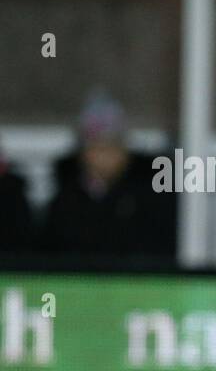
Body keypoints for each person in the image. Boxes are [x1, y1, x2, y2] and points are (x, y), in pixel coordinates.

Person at [41, 93, 174, 262]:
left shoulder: (150, 199)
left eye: (112, 145)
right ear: (82, 152)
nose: (105, 156)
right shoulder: (65, 201)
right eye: (96, 146)